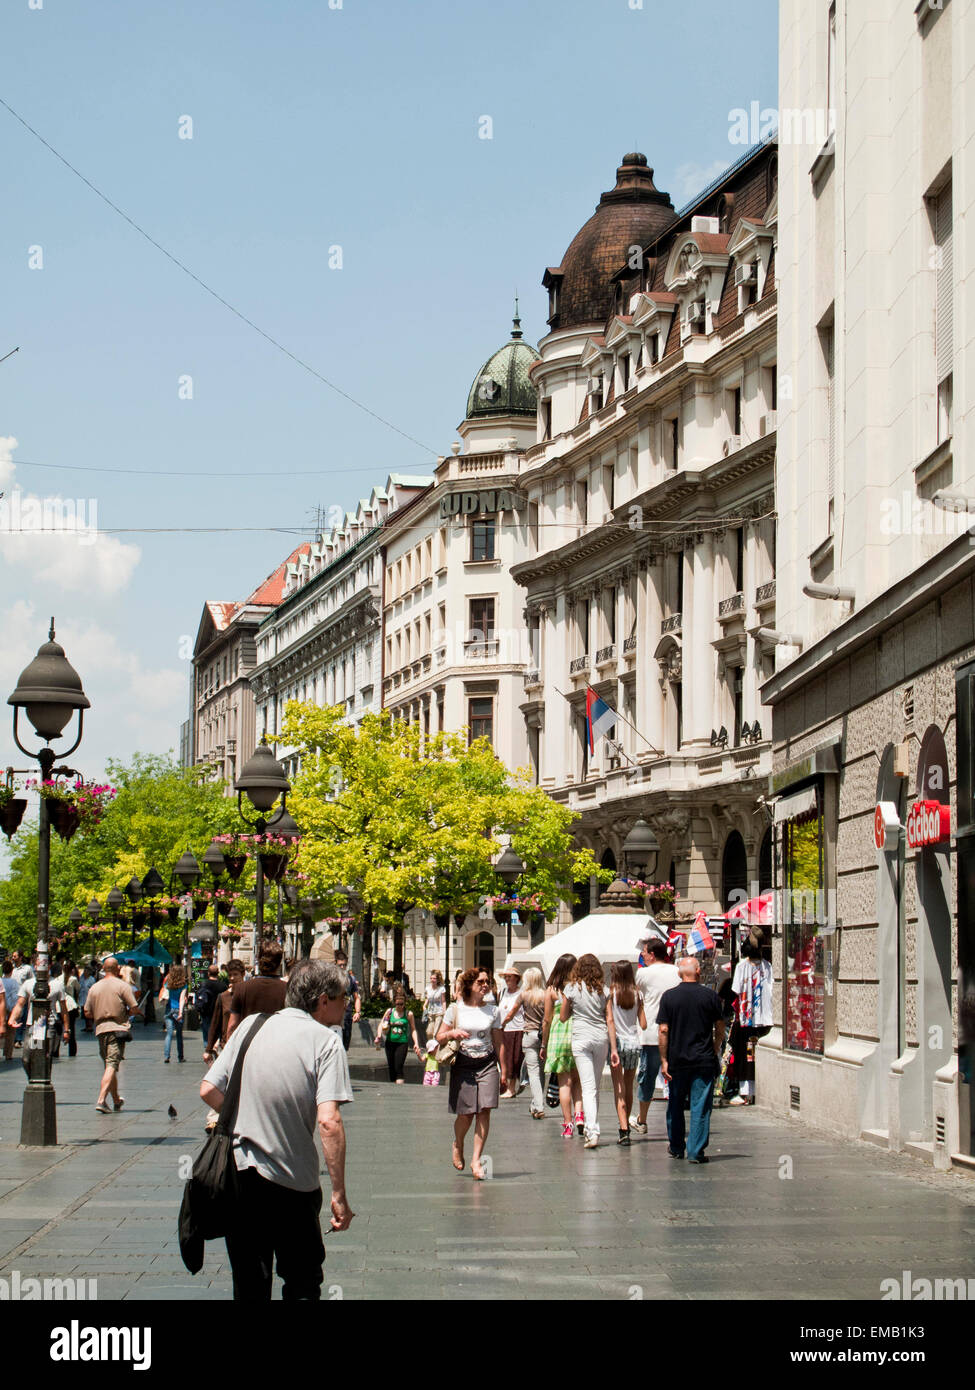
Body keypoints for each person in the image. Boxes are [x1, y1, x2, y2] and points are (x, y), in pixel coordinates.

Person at [200, 958, 355, 1300]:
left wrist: (246, 1120)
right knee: (302, 1281)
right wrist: (339, 1194)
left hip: (240, 1176)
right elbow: (329, 1121)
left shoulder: (252, 1025)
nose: (348, 1004)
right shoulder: (326, 1042)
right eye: (343, 996)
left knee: (250, 1285)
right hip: (292, 1182)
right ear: (323, 1000)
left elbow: (208, 1089)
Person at [437, 966, 507, 1180]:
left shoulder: (493, 1011)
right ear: (469, 985)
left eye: (488, 982)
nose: (485, 985)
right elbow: (439, 1037)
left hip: (487, 1063)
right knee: (466, 1114)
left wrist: (504, 1070)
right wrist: (452, 1033)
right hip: (464, 1063)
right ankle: (458, 1143)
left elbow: (498, 1042)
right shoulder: (455, 1009)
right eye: (481, 982)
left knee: (484, 1110)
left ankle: (477, 1160)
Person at [657, 955, 727, 1163]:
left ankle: (677, 1146)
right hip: (703, 1059)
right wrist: (715, 1047)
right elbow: (720, 1027)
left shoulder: (669, 997)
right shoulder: (710, 996)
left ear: (680, 973)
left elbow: (663, 1030)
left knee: (675, 1105)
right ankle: (696, 1151)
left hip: (677, 1059)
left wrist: (664, 1059)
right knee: (701, 1107)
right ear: (697, 972)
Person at [561, 953, 619, 1149]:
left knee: (588, 1087)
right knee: (593, 1086)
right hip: (601, 1038)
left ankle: (592, 1131)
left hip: (580, 1038)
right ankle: (591, 1127)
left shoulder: (570, 988)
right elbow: (609, 1019)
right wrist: (614, 1048)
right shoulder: (603, 990)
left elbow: (562, 1016)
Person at [83, 957, 144, 1113]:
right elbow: (134, 1008)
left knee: (109, 1065)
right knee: (111, 1065)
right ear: (117, 969)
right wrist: (134, 1013)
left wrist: (100, 1013)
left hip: (101, 1030)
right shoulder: (122, 986)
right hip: (118, 1029)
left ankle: (116, 1100)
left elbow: (87, 1012)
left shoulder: (94, 988)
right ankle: (101, 1100)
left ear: (104, 968)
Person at [634, 940, 681, 1133]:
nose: (643, 956)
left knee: (647, 1077)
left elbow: (637, 994)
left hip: (652, 1032)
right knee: (675, 1076)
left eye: (644, 952)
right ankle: (675, 1118)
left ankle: (642, 1120)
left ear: (652, 954)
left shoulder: (643, 973)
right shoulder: (676, 970)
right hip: (674, 1032)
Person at [539, 954, 583, 1139]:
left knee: (565, 1083)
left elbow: (547, 1020)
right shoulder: (579, 987)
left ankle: (567, 1123)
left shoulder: (551, 990)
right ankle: (580, 1116)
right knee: (578, 1081)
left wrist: (543, 1044)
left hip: (558, 1036)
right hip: (577, 1033)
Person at [728, 931, 773, 1105]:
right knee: (755, 1053)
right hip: (764, 1018)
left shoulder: (741, 966)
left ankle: (747, 1091)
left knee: (745, 1054)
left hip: (746, 1018)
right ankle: (754, 1090)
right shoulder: (767, 966)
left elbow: (737, 991)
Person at [609, 961, 646, 1146]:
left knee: (619, 1088)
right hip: (634, 1042)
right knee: (629, 1085)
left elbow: (609, 1021)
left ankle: (623, 1129)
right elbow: (644, 1024)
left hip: (618, 1042)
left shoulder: (612, 994)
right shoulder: (637, 994)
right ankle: (626, 1123)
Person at [227, 943, 287, 1038]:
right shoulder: (287, 989)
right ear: (279, 963)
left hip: (247, 1044)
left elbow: (232, 1025)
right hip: (277, 1044)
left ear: (259, 961)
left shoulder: (242, 988)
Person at [374, 987, 422, 1083]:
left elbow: (413, 1029)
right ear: (394, 1003)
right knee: (391, 1068)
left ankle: (400, 1089)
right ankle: (393, 1091)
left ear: (405, 1003)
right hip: (390, 1042)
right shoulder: (389, 1012)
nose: (399, 1006)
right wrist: (379, 1036)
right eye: (397, 1004)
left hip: (402, 1043)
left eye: (401, 1004)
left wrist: (416, 1043)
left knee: (398, 1067)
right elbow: (381, 1024)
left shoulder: (408, 1014)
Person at [517, 967, 547, 1118]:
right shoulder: (545, 995)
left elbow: (512, 1011)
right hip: (543, 1036)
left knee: (533, 1072)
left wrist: (502, 1024)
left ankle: (539, 1105)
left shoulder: (524, 995)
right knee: (540, 1072)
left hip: (529, 1034)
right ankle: (536, 1104)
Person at [204, 959, 245, 1062]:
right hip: (226, 1047)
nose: (232, 978)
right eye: (230, 975)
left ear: (243, 974)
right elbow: (215, 1024)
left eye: (235, 974)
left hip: (245, 1046)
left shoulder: (249, 995)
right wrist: (208, 1049)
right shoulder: (223, 997)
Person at [497, 962, 525, 1099]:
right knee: (504, 1058)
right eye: (506, 977)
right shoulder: (502, 993)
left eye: (510, 977)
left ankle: (512, 1087)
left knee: (514, 1059)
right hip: (503, 1030)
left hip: (517, 1029)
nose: (507, 979)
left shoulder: (521, 993)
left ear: (516, 979)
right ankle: (506, 1086)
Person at [333, 950, 361, 1052]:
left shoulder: (350, 980)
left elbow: (357, 997)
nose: (342, 968)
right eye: (340, 965)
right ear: (335, 963)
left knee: (344, 1047)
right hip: (333, 1018)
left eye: (344, 965)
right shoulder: (331, 979)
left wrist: (357, 1012)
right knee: (335, 1047)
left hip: (347, 1017)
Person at [51, 960, 80, 1059]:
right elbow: (77, 991)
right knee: (71, 1029)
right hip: (71, 1005)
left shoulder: (57, 979)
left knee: (58, 1029)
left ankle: (55, 1051)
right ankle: (72, 1052)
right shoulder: (73, 979)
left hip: (60, 1005)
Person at [160, 964, 188, 1064]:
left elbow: (165, 994)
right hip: (177, 1010)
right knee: (179, 1034)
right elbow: (181, 999)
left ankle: (166, 1056)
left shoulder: (168, 983)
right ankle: (180, 1057)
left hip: (168, 1009)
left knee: (169, 1034)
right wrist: (180, 1012)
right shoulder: (183, 984)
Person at [194, 964, 226, 1046]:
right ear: (218, 973)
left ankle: (208, 1049)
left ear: (208, 973)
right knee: (217, 1032)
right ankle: (216, 1046)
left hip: (206, 1012)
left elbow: (198, 997)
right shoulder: (223, 985)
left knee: (206, 1032)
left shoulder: (204, 984)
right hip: (219, 1012)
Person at [2, 961, 20, 1060]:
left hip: (2, 1009)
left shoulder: (0, 981)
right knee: (11, 1033)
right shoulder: (14, 982)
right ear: (12, 970)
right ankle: (8, 1054)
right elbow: (15, 996)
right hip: (11, 1009)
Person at [422, 969, 446, 1045]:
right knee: (429, 1032)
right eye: (431, 978)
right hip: (430, 1012)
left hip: (439, 1012)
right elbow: (428, 998)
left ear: (437, 980)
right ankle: (431, 1045)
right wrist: (424, 1005)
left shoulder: (441, 989)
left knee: (435, 1033)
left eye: (434, 978)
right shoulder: (428, 988)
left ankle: (435, 1048)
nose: (432, 980)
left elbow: (443, 1001)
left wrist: (444, 1012)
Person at [78, 963, 95, 1033]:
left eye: (86, 971)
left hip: (89, 997)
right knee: (84, 1012)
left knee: (89, 1011)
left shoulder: (91, 979)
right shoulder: (81, 978)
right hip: (82, 997)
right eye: (84, 971)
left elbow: (93, 988)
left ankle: (90, 1026)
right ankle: (87, 1026)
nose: (85, 972)